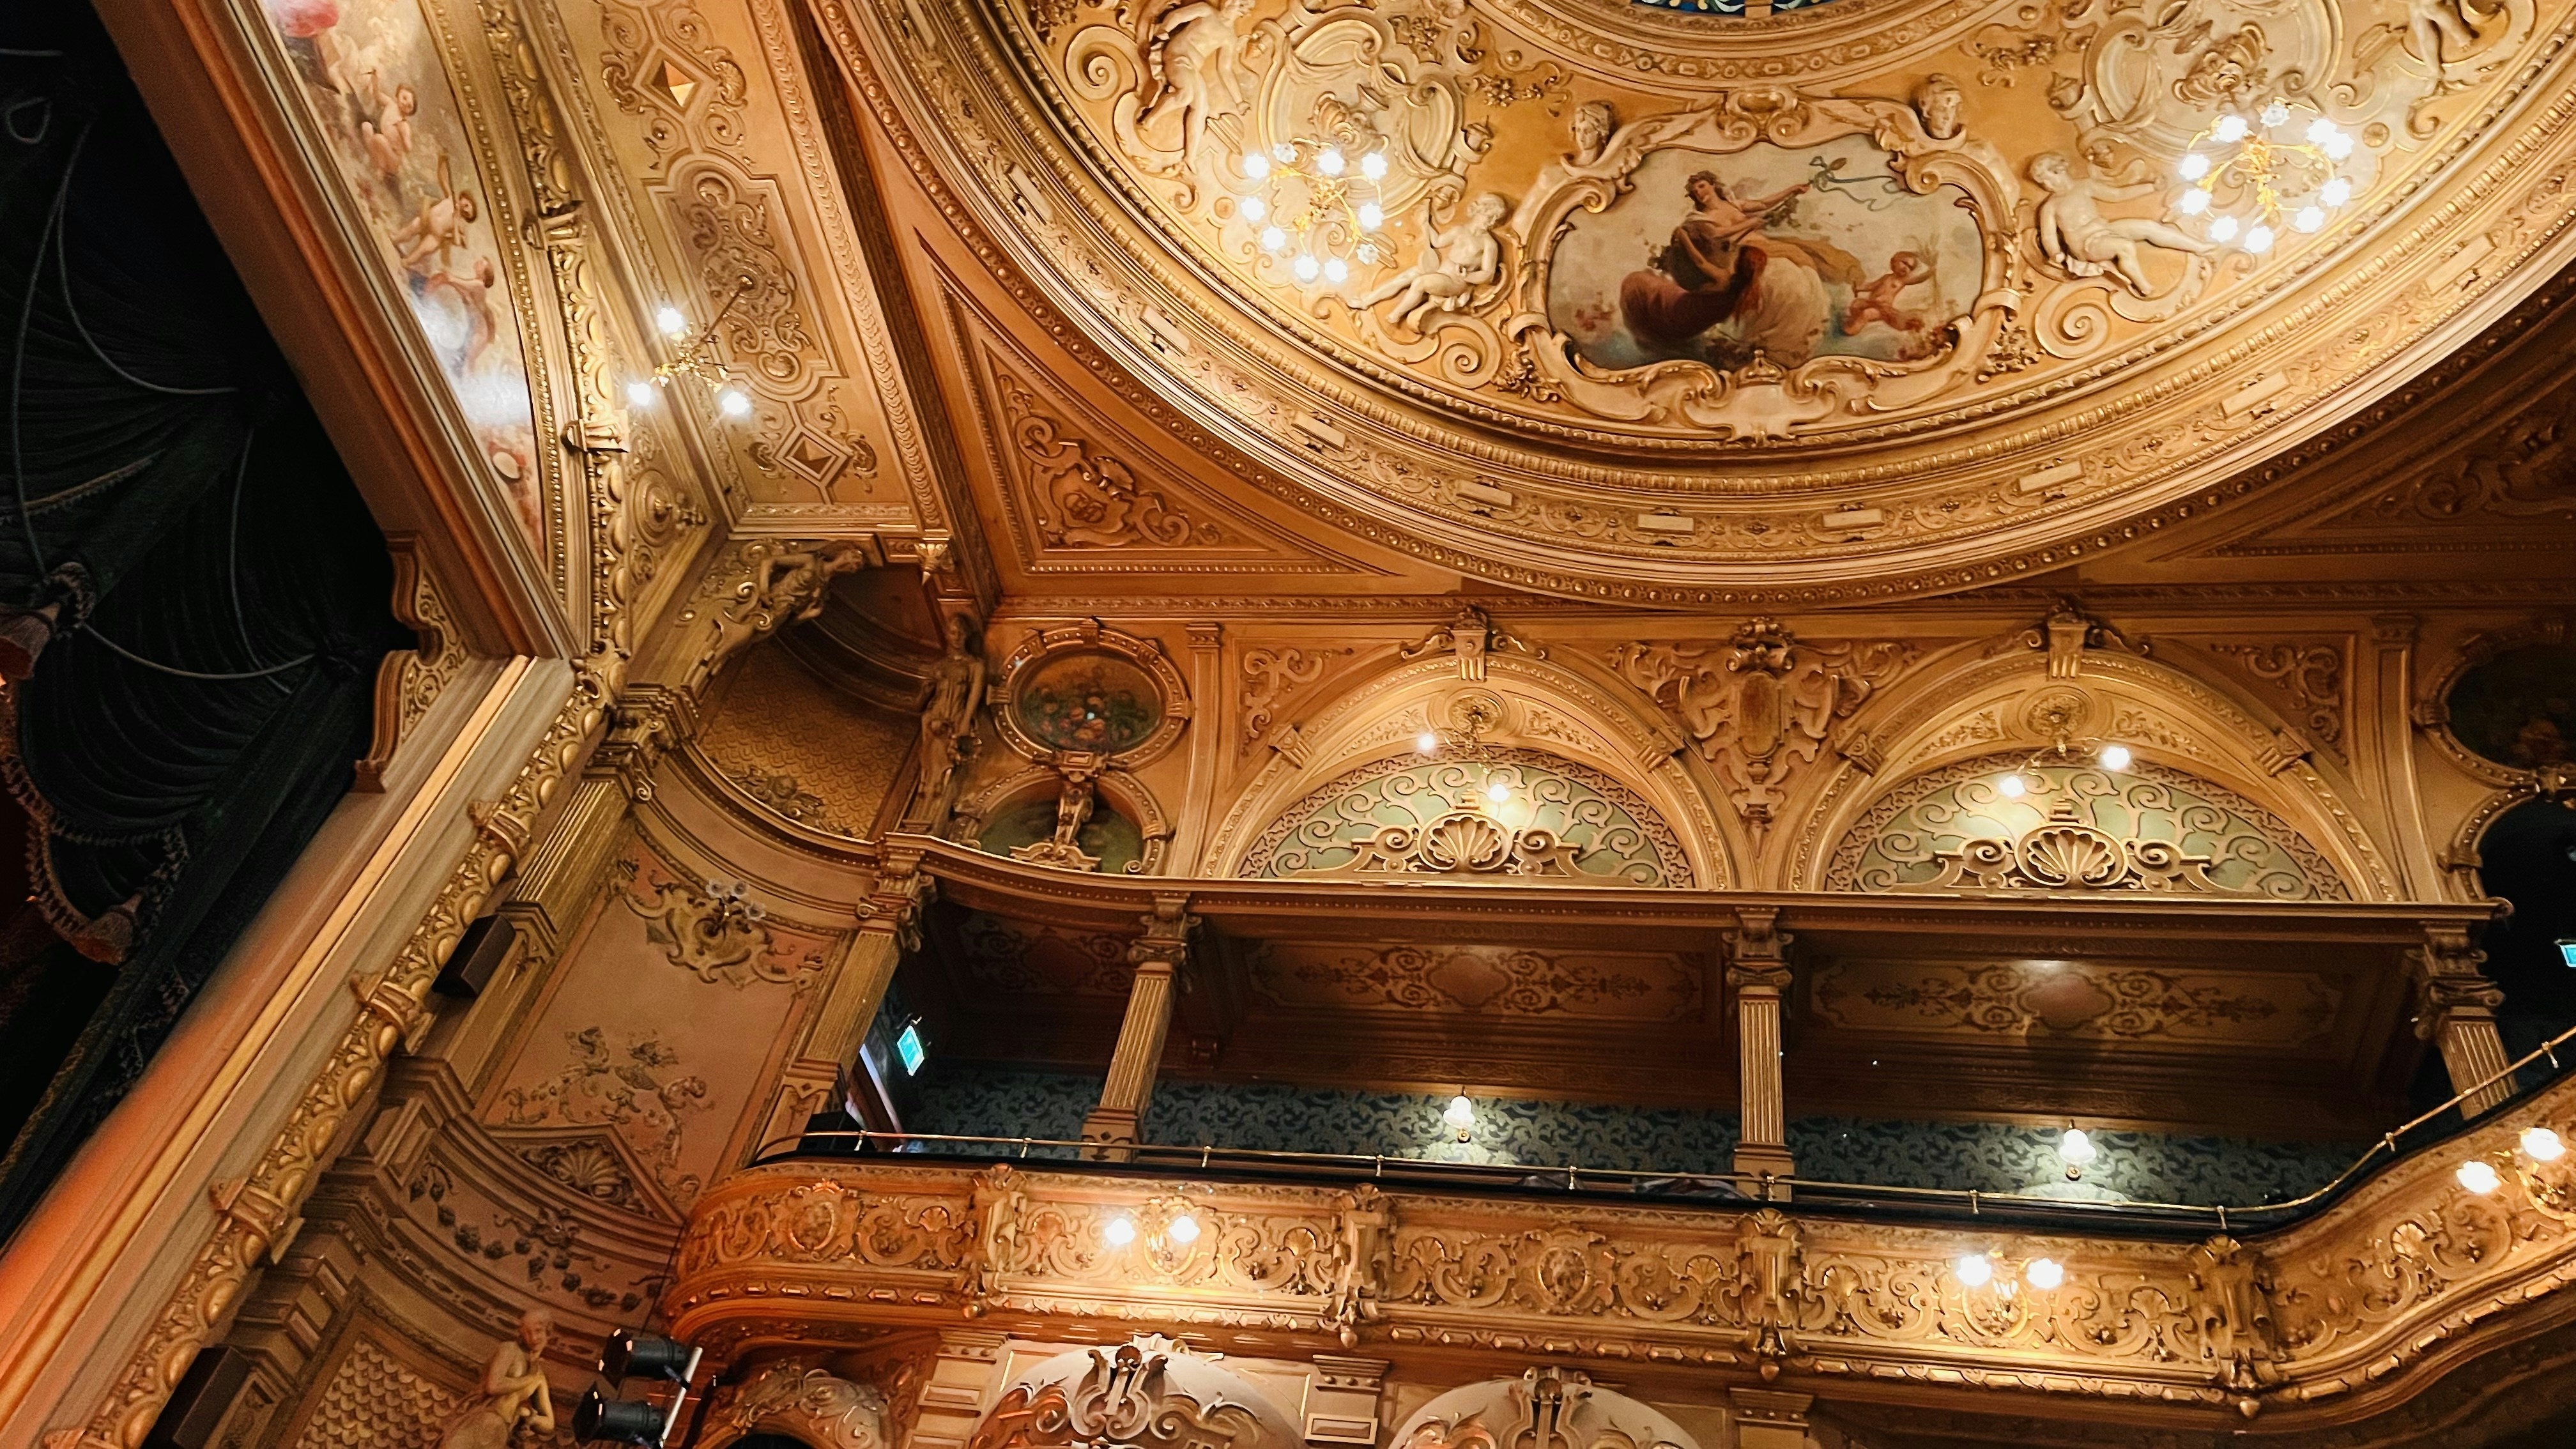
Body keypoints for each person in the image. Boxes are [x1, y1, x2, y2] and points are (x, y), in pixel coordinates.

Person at [1618, 172, 1860, 365]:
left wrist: (1792, 190)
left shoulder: (1732, 204)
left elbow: (1764, 203)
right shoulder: (1698, 219)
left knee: (1806, 258)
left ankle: (1812, 316)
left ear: (1712, 184)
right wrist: (1750, 223)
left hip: (1768, 245)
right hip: (1742, 253)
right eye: (1695, 191)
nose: (1700, 193)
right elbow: (1719, 234)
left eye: (1702, 186)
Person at [2029, 152, 2212, 297]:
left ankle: (2200, 247)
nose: (2045, 185)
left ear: (2059, 170)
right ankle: (2144, 286)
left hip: (2105, 230)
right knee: (2124, 246)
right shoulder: (2051, 206)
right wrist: (2056, 253)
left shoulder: (2084, 186)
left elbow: (2117, 195)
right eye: (2042, 182)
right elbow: (2049, 235)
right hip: (2087, 245)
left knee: (2148, 227)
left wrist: (2150, 188)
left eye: (2045, 178)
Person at [434, 1310, 555, 1449]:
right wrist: (530, 1378)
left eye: (538, 1331)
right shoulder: (510, 1350)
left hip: (501, 1430)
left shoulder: (540, 1377)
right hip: (483, 1419)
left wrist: (529, 1417)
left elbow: (549, 1424)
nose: (533, 1338)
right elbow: (493, 1386)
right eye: (528, 1332)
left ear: (548, 1333)